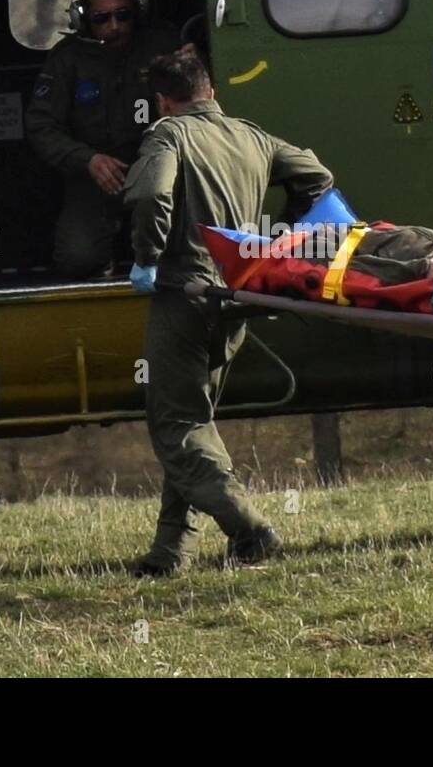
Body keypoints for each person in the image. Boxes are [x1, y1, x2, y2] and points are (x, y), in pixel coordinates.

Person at [122, 50, 334, 576]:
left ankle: (249, 526)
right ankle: (171, 552)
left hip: (185, 290)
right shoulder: (253, 136)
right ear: (211, 92)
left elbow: (150, 193)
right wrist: (280, 234)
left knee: (176, 424)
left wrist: (147, 257)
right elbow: (318, 177)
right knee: (195, 419)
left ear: (163, 102)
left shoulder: (168, 136)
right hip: (237, 295)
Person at [24, 0, 178, 278]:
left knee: (186, 252)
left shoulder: (163, 46)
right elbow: (41, 125)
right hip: (94, 177)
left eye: (123, 15)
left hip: (158, 170)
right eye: (101, 19)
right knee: (78, 258)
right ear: (83, 18)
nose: (115, 26)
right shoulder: (67, 59)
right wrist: (87, 160)